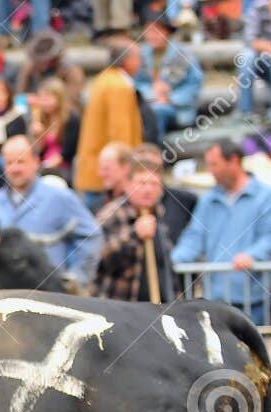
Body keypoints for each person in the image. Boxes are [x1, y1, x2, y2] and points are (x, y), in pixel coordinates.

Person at [0, 136, 100, 288]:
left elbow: (91, 235)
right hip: (1, 293)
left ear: (36, 162)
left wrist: (77, 278)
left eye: (20, 162)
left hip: (47, 292)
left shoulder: (59, 197)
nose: (14, 169)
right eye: (9, 163)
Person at [172, 140, 271, 322]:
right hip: (215, 299)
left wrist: (253, 255)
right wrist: (173, 260)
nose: (210, 171)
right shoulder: (208, 200)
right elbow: (194, 237)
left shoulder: (266, 197)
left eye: (214, 164)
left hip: (253, 300)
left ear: (233, 161)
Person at [94, 158, 174, 304]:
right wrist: (134, 235)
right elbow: (98, 258)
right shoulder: (112, 214)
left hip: (156, 307)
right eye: (142, 183)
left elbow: (167, 268)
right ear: (128, 185)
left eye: (154, 184)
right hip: (117, 306)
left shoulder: (160, 216)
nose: (148, 190)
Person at [75, 40, 144, 205]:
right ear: (127, 60)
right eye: (138, 58)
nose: (140, 62)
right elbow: (120, 133)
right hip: (108, 175)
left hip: (95, 167)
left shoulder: (103, 79)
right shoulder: (118, 87)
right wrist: (126, 169)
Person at [136, 17, 201, 138]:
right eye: (148, 31)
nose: (151, 36)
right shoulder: (141, 53)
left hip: (177, 108)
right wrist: (152, 94)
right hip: (148, 102)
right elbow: (136, 81)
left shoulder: (182, 53)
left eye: (156, 31)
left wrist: (169, 98)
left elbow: (194, 83)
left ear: (166, 32)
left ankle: (155, 146)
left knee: (158, 111)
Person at [239, 0, 271, 116]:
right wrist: (270, 48)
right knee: (247, 57)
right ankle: (245, 111)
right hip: (262, 56)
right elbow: (250, 40)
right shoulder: (258, 8)